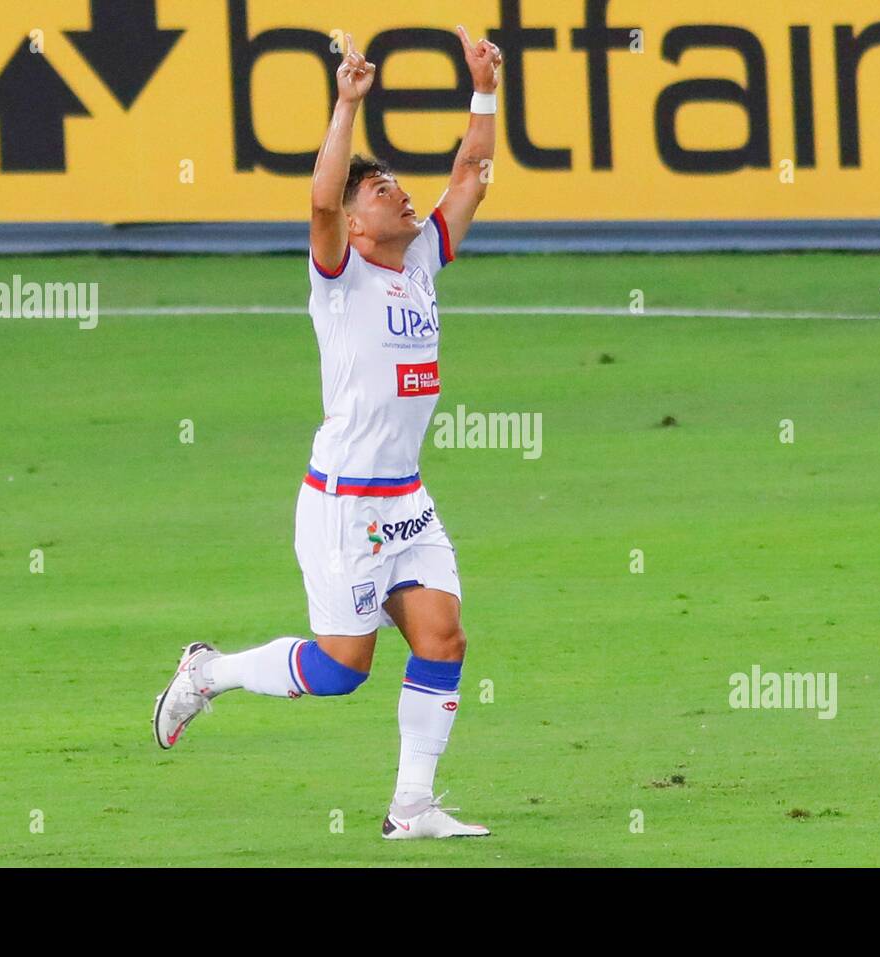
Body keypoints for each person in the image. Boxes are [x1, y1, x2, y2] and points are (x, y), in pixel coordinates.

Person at [153, 26, 503, 840]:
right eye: (384, 191)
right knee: (342, 670)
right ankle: (209, 674)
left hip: (405, 497)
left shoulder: (418, 264)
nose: (404, 196)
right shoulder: (339, 278)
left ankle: (412, 807)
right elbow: (317, 199)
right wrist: (346, 101)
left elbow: (472, 175)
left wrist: (482, 87)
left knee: (443, 633)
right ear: (354, 221)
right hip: (346, 502)